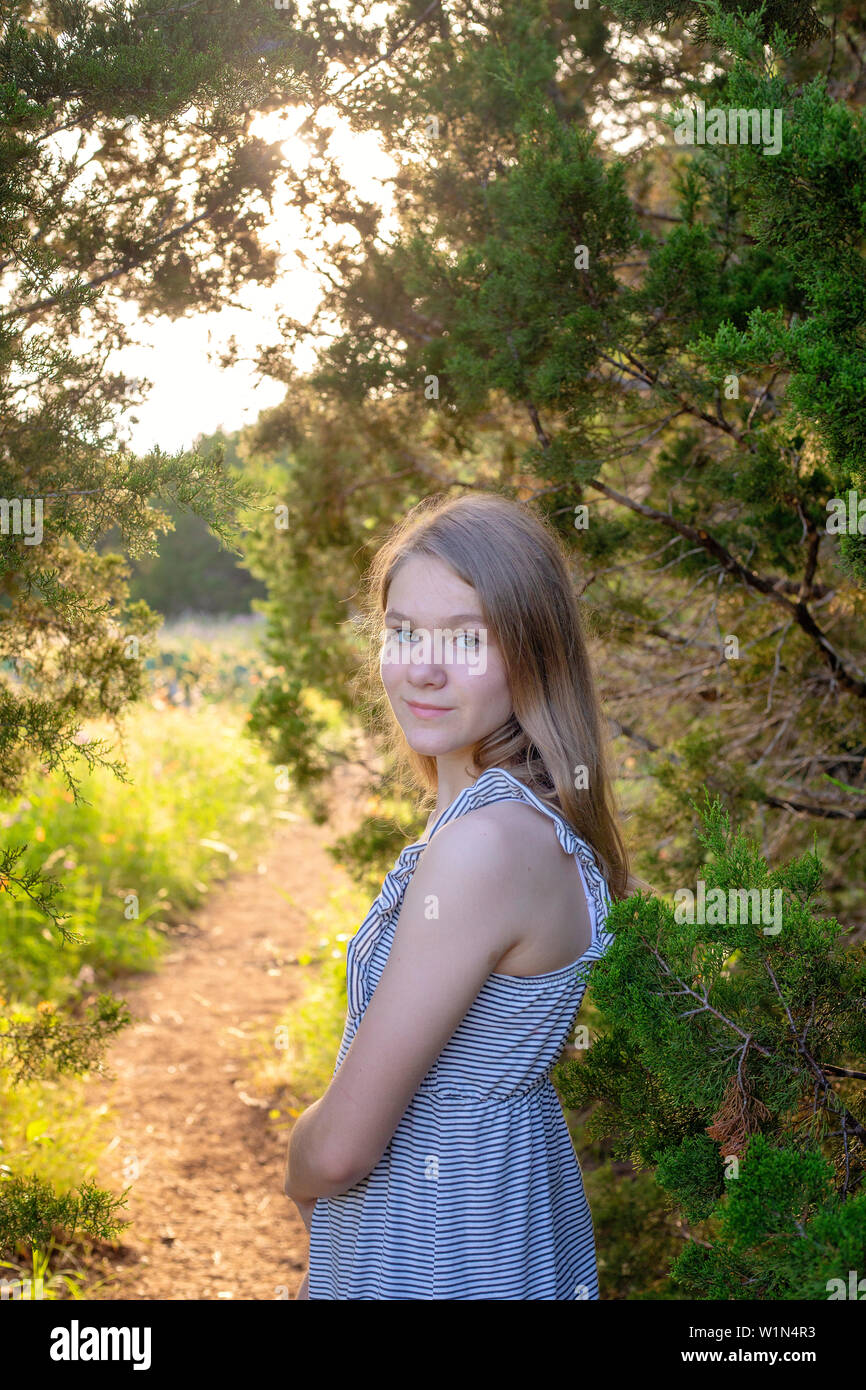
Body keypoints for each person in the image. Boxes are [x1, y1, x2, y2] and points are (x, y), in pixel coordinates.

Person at [284, 491, 636, 1299]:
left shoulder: (485, 844)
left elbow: (343, 1150)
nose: (423, 666)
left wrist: (298, 1171)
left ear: (531, 652)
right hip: (491, 1216)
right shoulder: (515, 823)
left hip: (442, 1243)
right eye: (403, 631)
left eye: (466, 638)